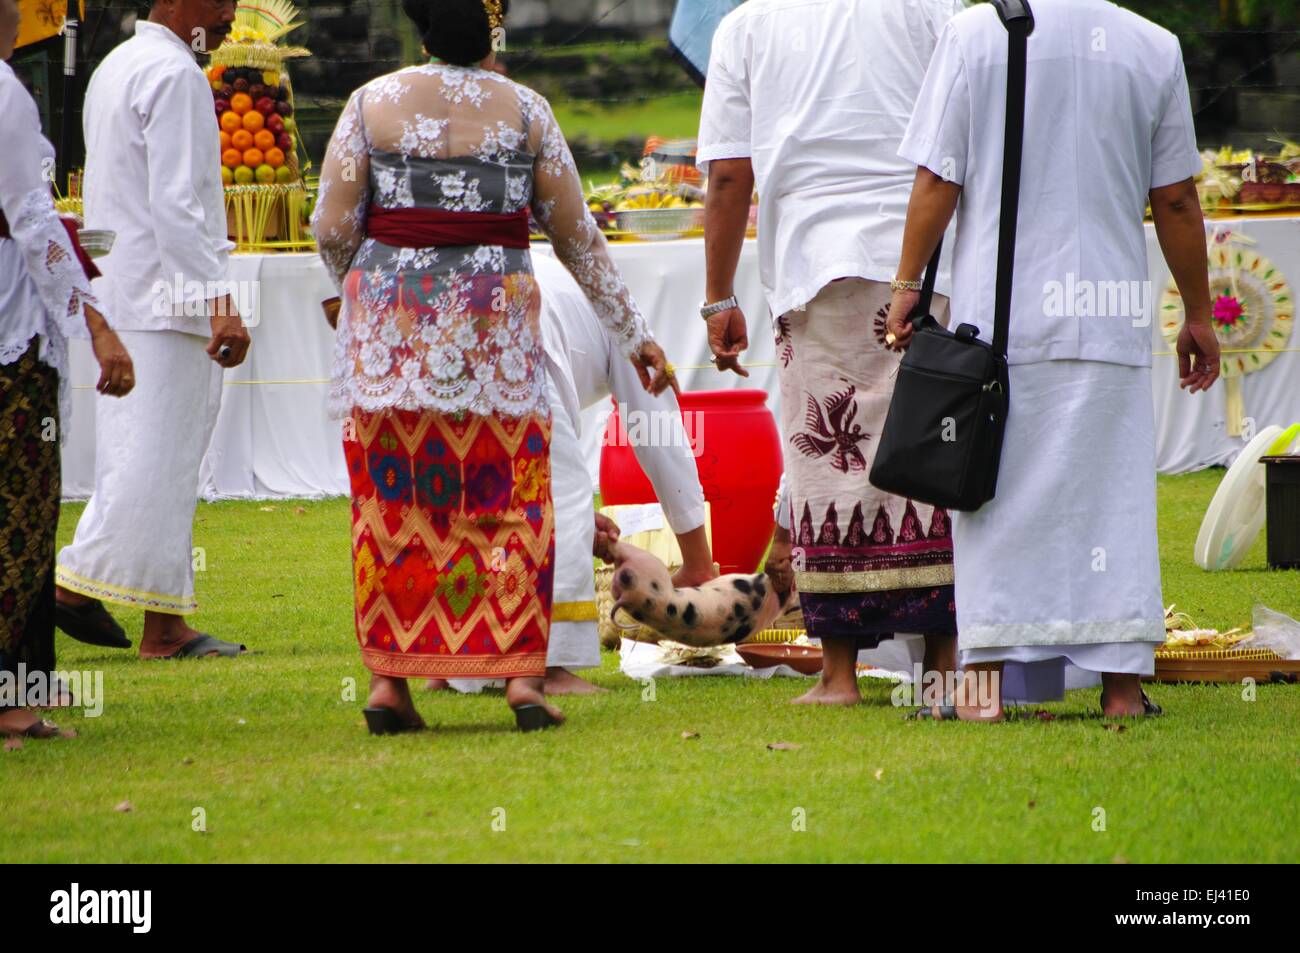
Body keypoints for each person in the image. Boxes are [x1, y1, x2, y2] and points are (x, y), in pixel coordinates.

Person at [312, 0, 672, 733]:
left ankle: (391, 683)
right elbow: (579, 241)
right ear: (490, 36)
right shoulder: (527, 111)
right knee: (512, 504)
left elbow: (331, 226)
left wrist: (360, 283)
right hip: (493, 343)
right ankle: (519, 679)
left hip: (394, 339)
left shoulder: (368, 104)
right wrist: (635, 334)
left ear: (421, 29)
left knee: (394, 509)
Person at [887, 0, 1218, 720]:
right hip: (1108, 315)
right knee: (1112, 508)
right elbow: (1177, 200)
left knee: (994, 500)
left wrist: (907, 286)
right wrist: (1197, 311)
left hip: (1000, 324)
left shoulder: (972, 35)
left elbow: (937, 179)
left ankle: (983, 689)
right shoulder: (1152, 47)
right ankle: (1122, 689)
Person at [697, 0, 965, 706]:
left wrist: (718, 295)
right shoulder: (935, 10)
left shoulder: (748, 25)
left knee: (827, 464)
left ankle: (839, 672)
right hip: (926, 259)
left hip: (816, 268)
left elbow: (729, 173)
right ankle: (942, 663)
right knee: (930, 454)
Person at [54, 0, 251, 660]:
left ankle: (165, 625)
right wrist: (221, 300)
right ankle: (72, 583)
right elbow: (177, 207)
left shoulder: (116, 65)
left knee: (156, 462)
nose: (229, 15)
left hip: (129, 294)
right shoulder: (174, 73)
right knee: (151, 464)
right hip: (165, 302)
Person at [429, 252, 716, 695]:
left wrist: (586, 532)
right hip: (518, 329)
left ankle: (450, 662)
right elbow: (659, 433)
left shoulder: (565, 278)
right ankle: (551, 667)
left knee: (463, 497)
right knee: (563, 492)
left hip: (443, 324)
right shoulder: (622, 318)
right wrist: (697, 562)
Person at [0, 0, 134, 738]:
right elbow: (30, 217)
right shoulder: (5, 92)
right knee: (20, 512)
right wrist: (98, 321)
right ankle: (11, 696)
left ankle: (29, 681)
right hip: (12, 332)